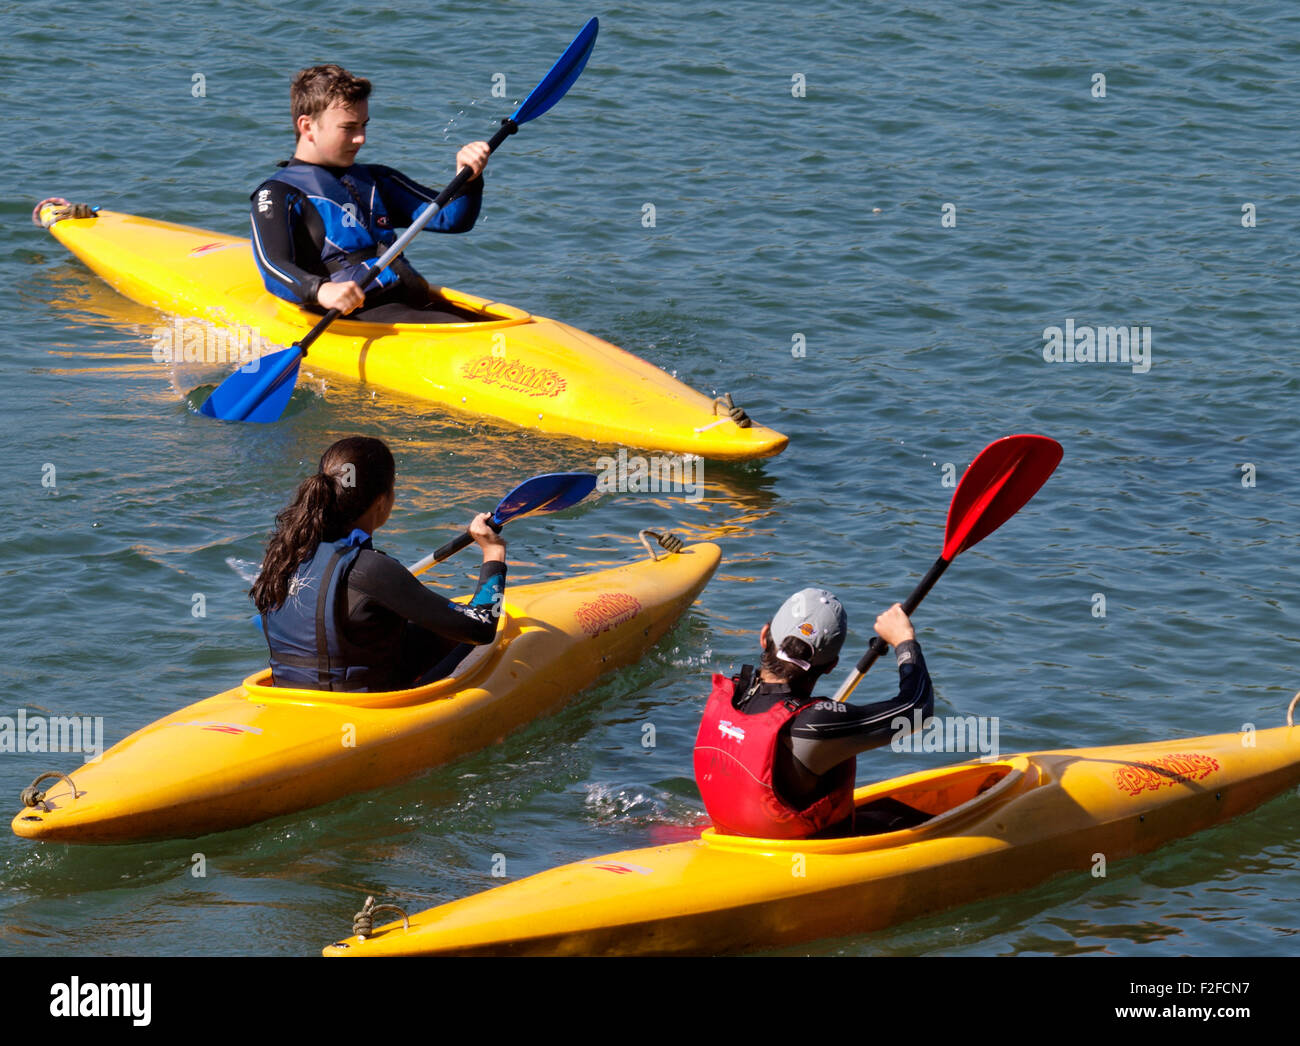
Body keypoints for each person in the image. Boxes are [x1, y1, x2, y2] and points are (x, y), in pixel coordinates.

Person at [250, 436, 506, 692]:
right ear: (382, 501)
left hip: (288, 696)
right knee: (484, 640)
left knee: (415, 631)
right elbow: (481, 626)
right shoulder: (370, 569)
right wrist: (492, 552)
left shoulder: (282, 555)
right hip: (355, 708)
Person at [250, 64, 491, 323]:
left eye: (364, 125)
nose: (361, 138)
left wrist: (468, 180)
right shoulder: (278, 193)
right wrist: (320, 290)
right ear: (307, 126)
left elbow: (453, 219)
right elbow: (272, 267)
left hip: (412, 301)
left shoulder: (377, 180)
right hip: (358, 314)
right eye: (349, 127)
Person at [693, 588, 934, 839]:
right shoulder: (815, 723)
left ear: (764, 636)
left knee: (884, 810)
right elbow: (916, 709)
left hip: (731, 836)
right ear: (832, 666)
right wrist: (904, 641)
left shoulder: (729, 697)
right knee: (904, 817)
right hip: (802, 856)